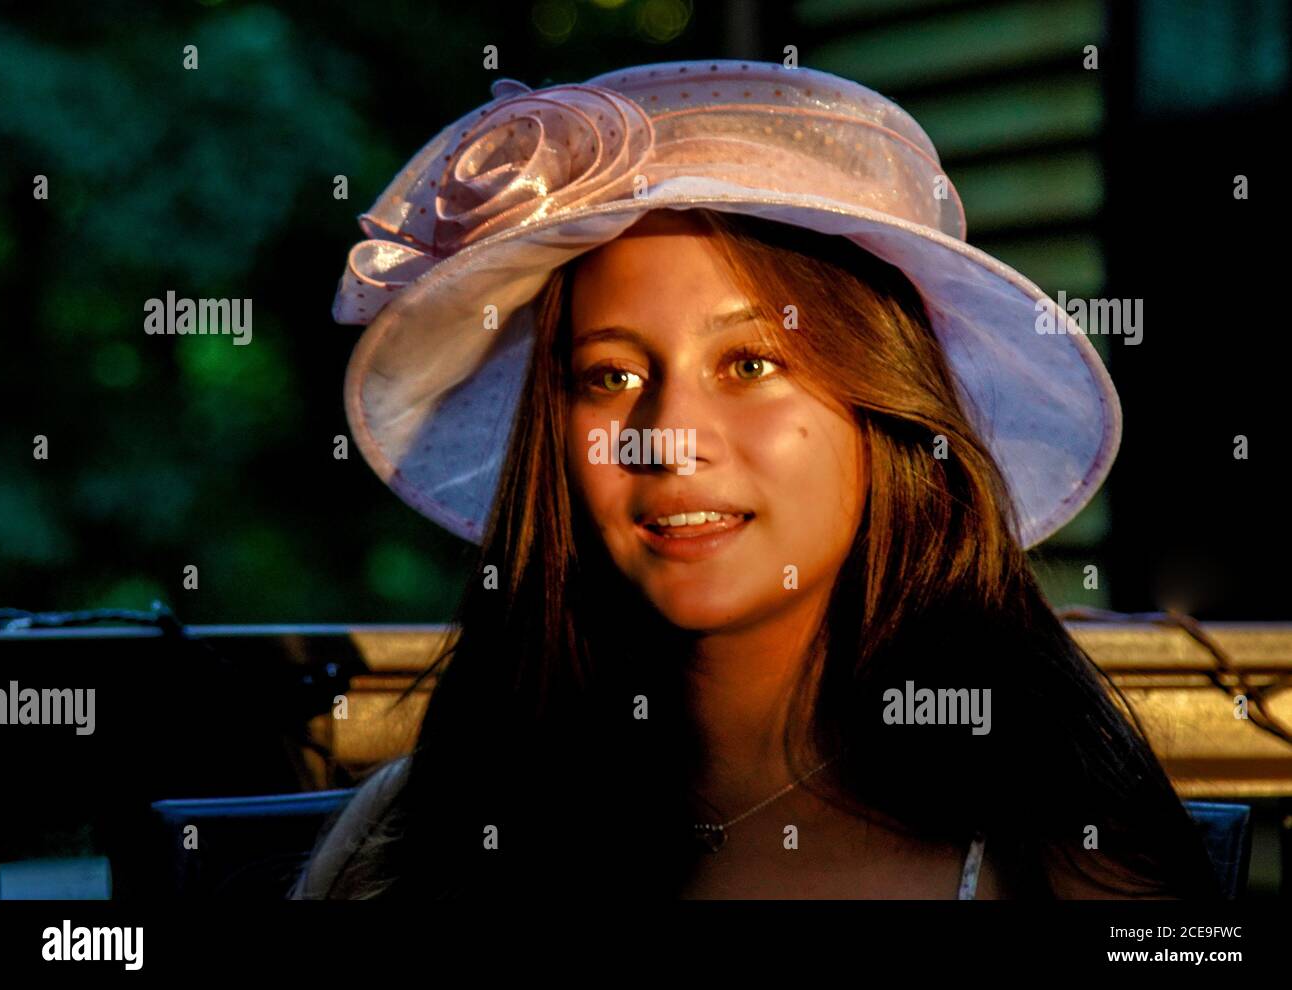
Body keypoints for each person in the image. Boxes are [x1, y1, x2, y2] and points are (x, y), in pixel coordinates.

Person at [290, 60, 1221, 900]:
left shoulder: (1067, 851)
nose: (670, 439)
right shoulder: (416, 838)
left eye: (751, 364)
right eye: (610, 377)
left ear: (885, 401)